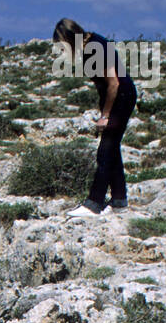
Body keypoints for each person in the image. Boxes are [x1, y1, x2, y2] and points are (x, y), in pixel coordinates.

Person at [52, 17, 138, 217]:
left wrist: (105, 115)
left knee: (105, 151)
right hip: (119, 96)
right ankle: (119, 201)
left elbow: (114, 83)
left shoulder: (93, 47)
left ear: (69, 37)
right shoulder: (91, 43)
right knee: (112, 148)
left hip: (121, 96)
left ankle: (94, 203)